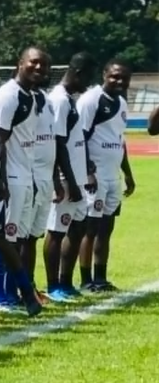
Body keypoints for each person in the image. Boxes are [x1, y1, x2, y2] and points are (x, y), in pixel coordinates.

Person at [0, 47, 49, 315]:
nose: (39, 69)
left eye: (44, 66)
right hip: (9, 176)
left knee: (16, 237)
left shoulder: (32, 97)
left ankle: (18, 293)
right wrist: (0, 180)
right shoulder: (8, 96)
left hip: (24, 176)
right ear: (20, 63)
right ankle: (4, 298)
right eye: (34, 63)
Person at [78, 59, 135, 292]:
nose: (119, 81)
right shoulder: (91, 100)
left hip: (113, 177)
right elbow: (78, 138)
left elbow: (120, 141)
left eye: (123, 78)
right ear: (104, 74)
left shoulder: (121, 103)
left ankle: (101, 277)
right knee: (90, 228)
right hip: (95, 177)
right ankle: (85, 279)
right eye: (114, 76)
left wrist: (128, 174)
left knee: (106, 228)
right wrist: (88, 171)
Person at [44, 54, 94, 301]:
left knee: (78, 227)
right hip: (66, 179)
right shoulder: (59, 101)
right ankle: (53, 286)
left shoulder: (69, 100)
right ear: (78, 72)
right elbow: (58, 143)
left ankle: (66, 281)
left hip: (78, 176)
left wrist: (87, 170)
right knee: (56, 230)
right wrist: (66, 181)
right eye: (88, 77)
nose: (89, 83)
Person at [24, 72, 57, 296]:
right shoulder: (14, 98)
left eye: (44, 66)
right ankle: (14, 291)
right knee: (16, 236)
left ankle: (30, 286)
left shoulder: (45, 99)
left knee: (33, 236)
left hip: (45, 178)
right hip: (27, 178)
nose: (40, 70)